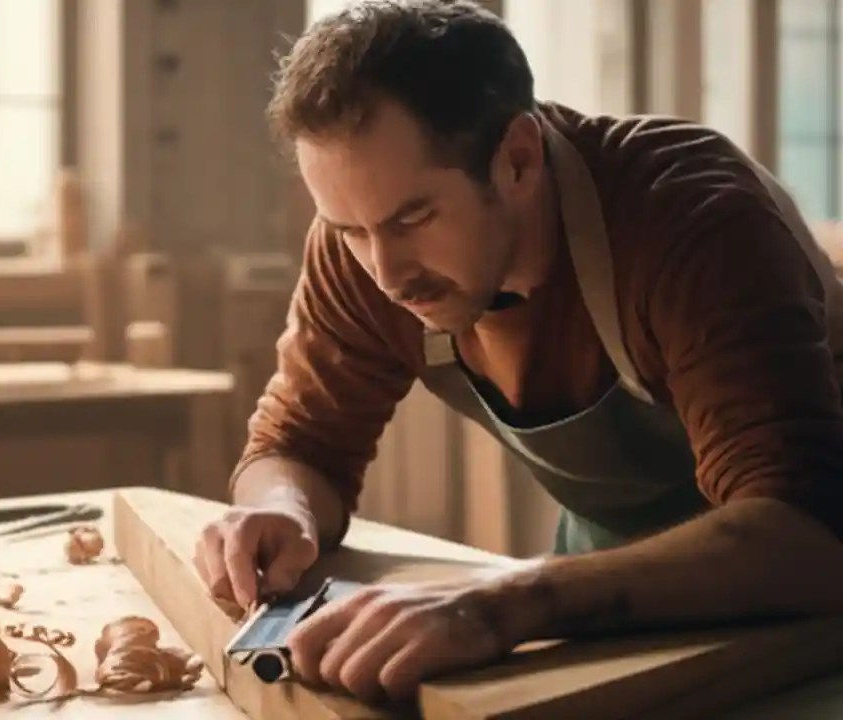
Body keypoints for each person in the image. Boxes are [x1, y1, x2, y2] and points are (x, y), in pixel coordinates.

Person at [193, 0, 843, 706]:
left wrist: (509, 599)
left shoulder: (689, 219)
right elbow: (300, 446)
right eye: (349, 229)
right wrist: (285, 511)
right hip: (600, 592)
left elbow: (806, 534)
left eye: (415, 217)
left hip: (802, 605)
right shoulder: (367, 246)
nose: (386, 274)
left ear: (518, 160)